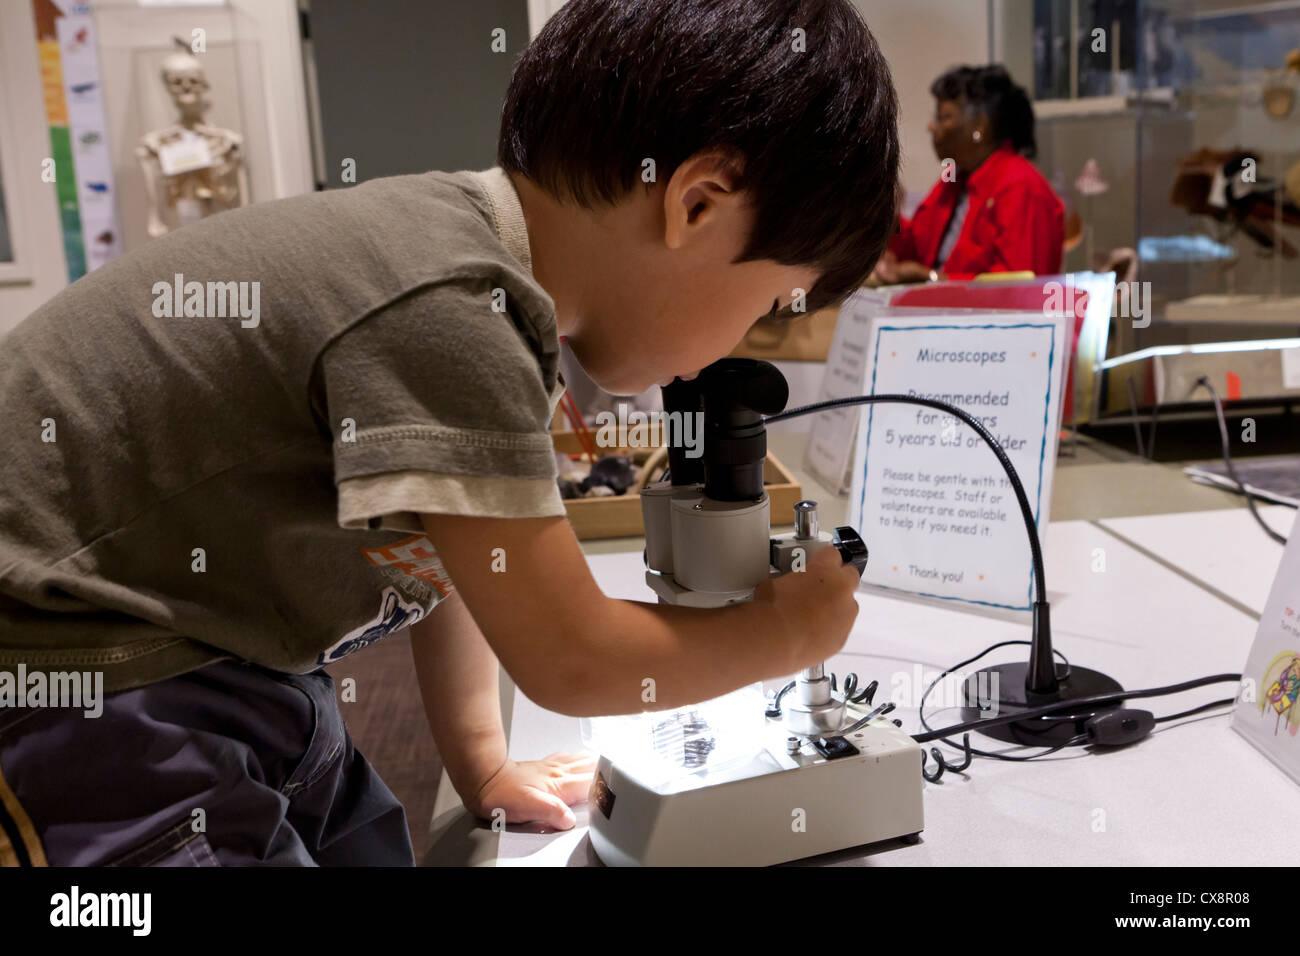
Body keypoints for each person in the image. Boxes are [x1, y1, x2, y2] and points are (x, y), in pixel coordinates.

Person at [0, 0, 897, 866]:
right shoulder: (450, 305)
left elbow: (460, 558)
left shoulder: (483, 286)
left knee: (366, 837)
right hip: (82, 674)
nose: (740, 343)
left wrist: (484, 761)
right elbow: (572, 659)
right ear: (698, 203)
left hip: (229, 654)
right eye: (766, 307)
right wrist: (786, 635)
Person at [874, 64, 1063, 284]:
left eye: (944, 117)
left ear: (979, 128)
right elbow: (917, 250)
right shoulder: (954, 178)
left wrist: (934, 280)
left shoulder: (1020, 185)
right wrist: (889, 215)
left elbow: (1019, 289)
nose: (931, 126)